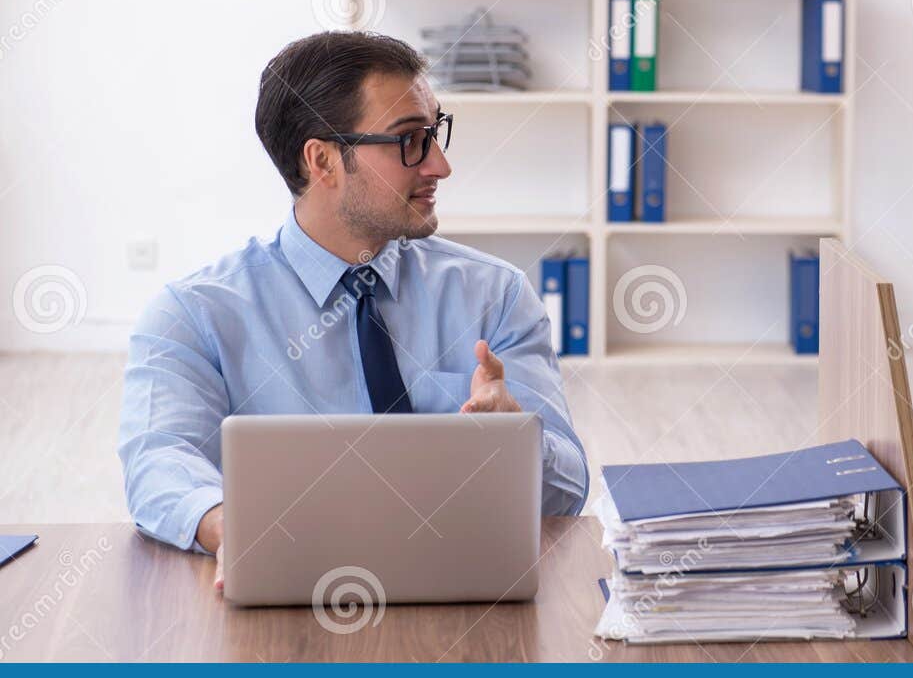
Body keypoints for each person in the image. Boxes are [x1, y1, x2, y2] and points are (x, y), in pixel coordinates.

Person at [117, 31, 588, 589]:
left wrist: (518, 442)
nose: (440, 165)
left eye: (435, 134)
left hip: (464, 595)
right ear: (322, 161)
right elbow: (158, 461)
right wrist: (231, 527)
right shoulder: (192, 315)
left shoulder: (496, 295)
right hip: (291, 599)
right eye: (410, 140)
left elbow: (569, 491)